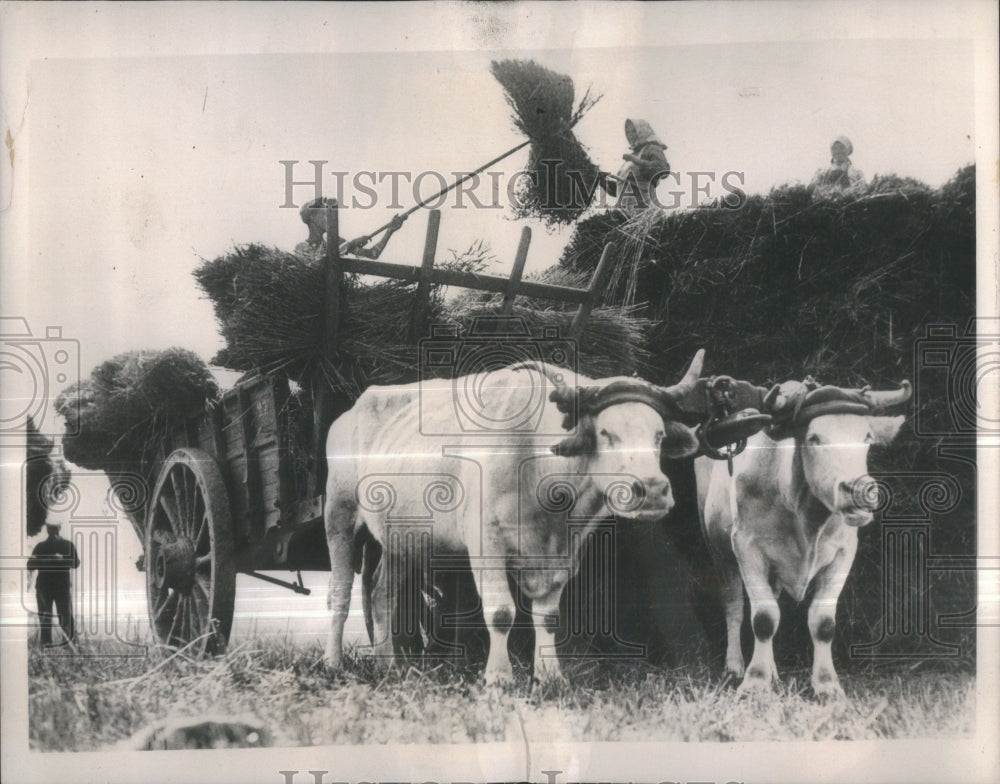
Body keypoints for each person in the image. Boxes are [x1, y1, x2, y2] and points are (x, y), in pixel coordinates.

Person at [600, 118, 671, 216]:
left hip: (643, 214)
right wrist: (604, 183)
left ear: (643, 130)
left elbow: (663, 170)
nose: (630, 135)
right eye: (628, 132)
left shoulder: (652, 149)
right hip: (626, 214)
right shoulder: (632, 157)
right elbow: (625, 188)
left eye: (633, 131)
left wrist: (638, 161)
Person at [295, 197, 406, 259]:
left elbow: (373, 254)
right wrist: (352, 243)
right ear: (312, 218)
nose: (329, 219)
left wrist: (389, 231)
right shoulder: (301, 248)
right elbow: (321, 263)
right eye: (324, 215)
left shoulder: (336, 242)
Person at [27, 521, 79, 647]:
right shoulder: (40, 546)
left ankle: (70, 645)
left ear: (59, 528)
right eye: (50, 528)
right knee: (45, 618)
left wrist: (62, 559)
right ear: (47, 529)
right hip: (45, 587)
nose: (52, 530)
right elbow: (30, 565)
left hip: (61, 587)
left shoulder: (67, 545)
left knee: (66, 616)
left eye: (54, 528)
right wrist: (47, 560)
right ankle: (46, 645)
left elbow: (76, 563)